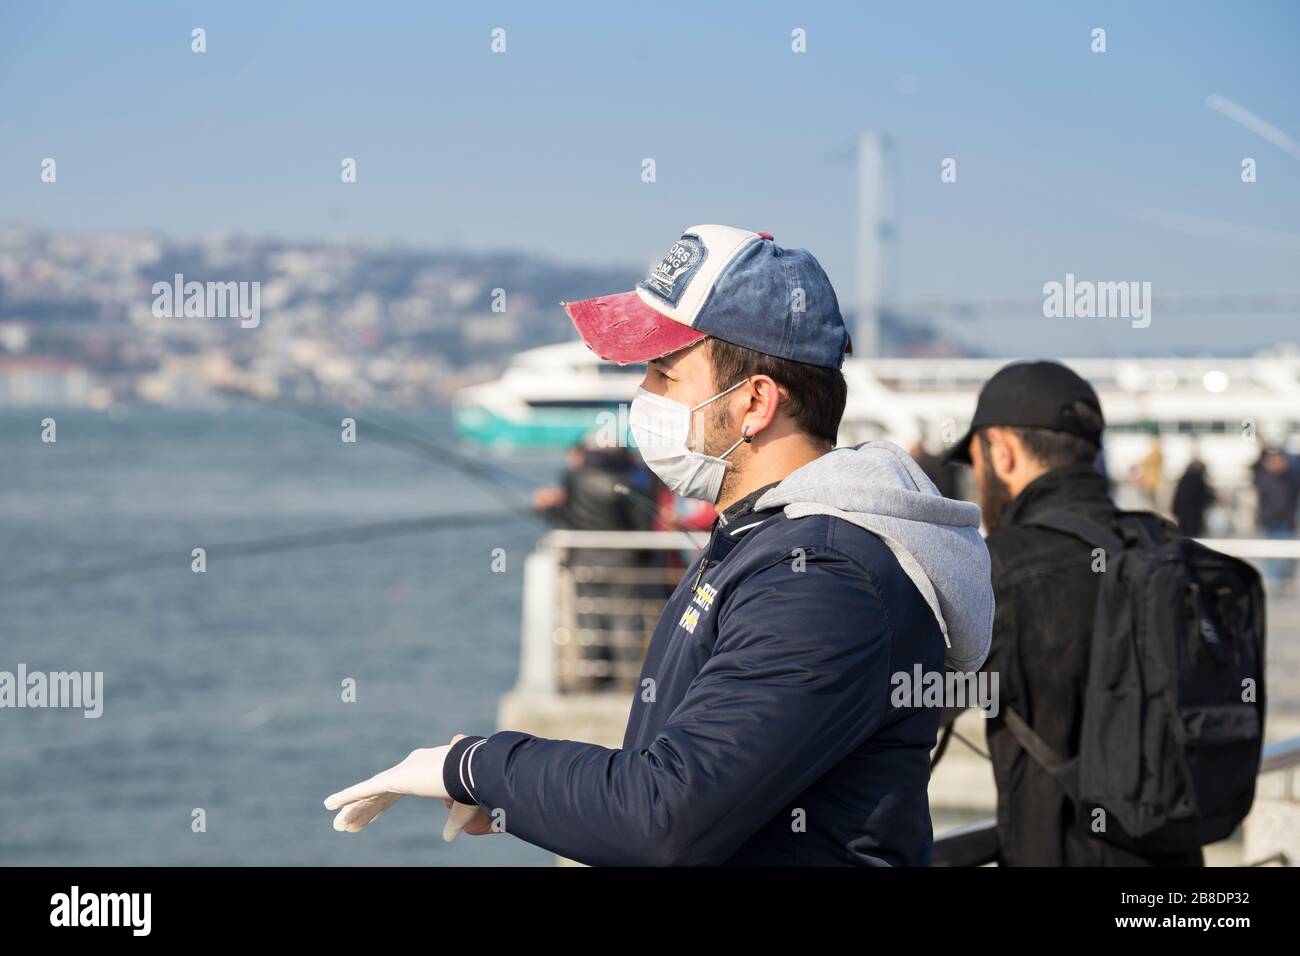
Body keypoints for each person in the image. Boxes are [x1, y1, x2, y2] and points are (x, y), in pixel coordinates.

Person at [323, 224, 993, 865]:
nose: (642, 395)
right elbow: (691, 770)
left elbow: (666, 817)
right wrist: (524, 800)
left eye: (664, 375)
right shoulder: (757, 537)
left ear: (755, 403)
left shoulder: (823, 576)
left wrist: (471, 765)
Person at [946, 360, 1203, 866]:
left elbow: (917, 704)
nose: (976, 477)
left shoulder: (1000, 568)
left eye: (975, 461)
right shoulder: (1165, 544)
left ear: (1001, 450)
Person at [1252, 445, 1300, 590]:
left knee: (1290, 554)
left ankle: (1287, 579)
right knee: (1271, 555)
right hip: (1270, 521)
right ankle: (1276, 582)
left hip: (1287, 521)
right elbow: (1254, 465)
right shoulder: (1262, 477)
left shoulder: (1291, 477)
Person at [1171, 450, 1215, 538]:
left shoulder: (1184, 479)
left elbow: (1177, 497)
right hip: (1194, 515)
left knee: (1185, 534)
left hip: (1184, 514)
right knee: (1193, 535)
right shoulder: (1198, 480)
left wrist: (1174, 510)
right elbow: (1205, 496)